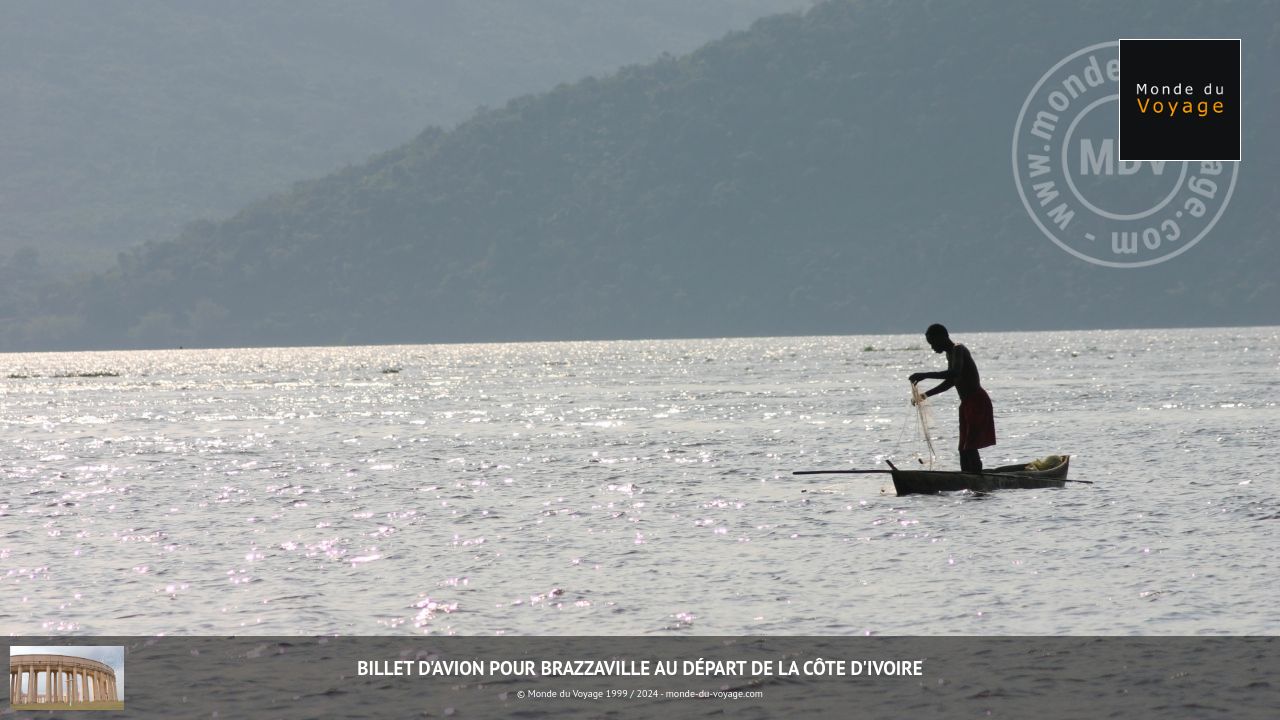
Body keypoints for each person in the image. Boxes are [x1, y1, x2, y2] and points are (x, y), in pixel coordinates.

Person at [908, 324, 995, 472]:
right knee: (963, 447)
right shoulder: (950, 354)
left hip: (977, 401)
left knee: (970, 446)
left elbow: (954, 373)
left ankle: (977, 479)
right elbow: (950, 382)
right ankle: (966, 477)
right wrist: (924, 395)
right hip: (966, 404)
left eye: (933, 343)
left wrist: (924, 374)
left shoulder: (958, 349)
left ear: (942, 337)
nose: (932, 347)